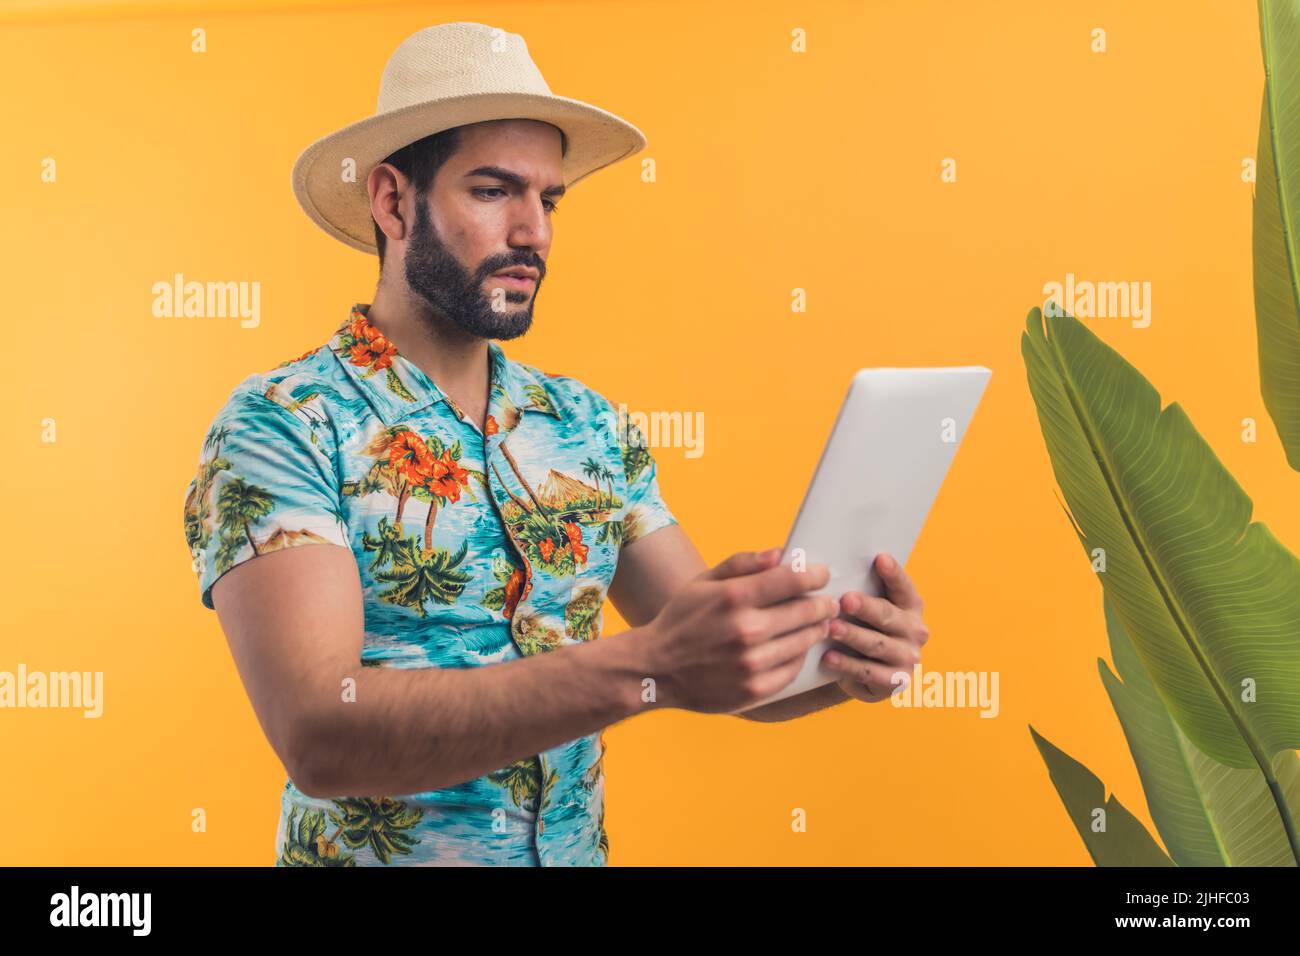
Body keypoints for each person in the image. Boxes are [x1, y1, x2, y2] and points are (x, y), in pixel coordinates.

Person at [181, 21, 931, 867]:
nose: (534, 231)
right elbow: (320, 734)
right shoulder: (283, 422)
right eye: (495, 191)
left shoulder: (590, 427)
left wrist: (842, 659)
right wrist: (652, 664)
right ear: (393, 201)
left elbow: (716, 670)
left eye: (550, 200)